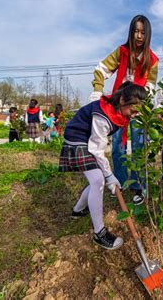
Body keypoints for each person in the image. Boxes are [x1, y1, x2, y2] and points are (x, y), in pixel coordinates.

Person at [59, 82, 147, 250]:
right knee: (98, 179)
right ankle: (99, 233)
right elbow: (97, 150)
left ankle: (78, 210)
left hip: (88, 138)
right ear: (122, 101)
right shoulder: (103, 115)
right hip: (77, 138)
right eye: (133, 111)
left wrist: (108, 175)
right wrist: (109, 175)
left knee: (96, 180)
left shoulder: (118, 112)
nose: (134, 116)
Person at [89, 15, 158, 205]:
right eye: (136, 31)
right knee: (118, 145)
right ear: (131, 31)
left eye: (143, 32)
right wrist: (97, 90)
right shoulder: (121, 52)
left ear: (147, 35)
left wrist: (142, 103)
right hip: (118, 108)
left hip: (139, 111)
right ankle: (117, 183)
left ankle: (138, 186)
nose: (138, 36)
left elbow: (151, 85)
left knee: (139, 146)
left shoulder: (151, 60)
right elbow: (101, 69)